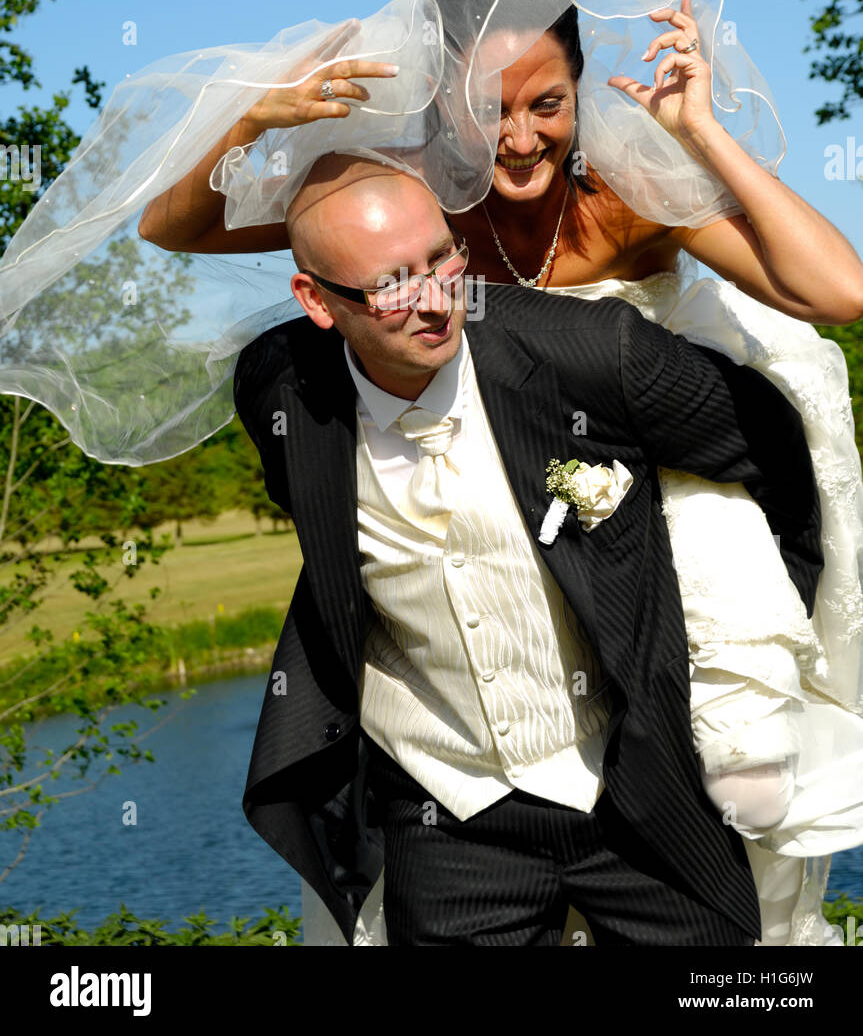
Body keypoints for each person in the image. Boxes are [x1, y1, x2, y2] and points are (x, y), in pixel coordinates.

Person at [137, 0, 863, 946]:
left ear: (580, 90)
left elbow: (837, 290)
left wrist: (697, 132)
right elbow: (175, 226)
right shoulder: (411, 200)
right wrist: (247, 120)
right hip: (494, 477)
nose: (519, 138)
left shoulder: (623, 192)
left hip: (653, 442)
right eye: (487, 111)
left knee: (721, 703)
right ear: (440, 104)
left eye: (546, 105)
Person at [232, 149, 824, 947]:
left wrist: (755, 623)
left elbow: (769, 445)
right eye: (393, 282)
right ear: (316, 300)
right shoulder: (280, 391)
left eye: (443, 259)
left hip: (636, 789)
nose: (435, 301)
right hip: (446, 808)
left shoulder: (591, 354)